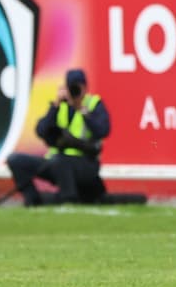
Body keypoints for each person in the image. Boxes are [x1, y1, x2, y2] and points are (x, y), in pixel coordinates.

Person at [6, 68, 109, 206]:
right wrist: (55, 105)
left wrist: (83, 111)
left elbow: (103, 130)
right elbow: (41, 131)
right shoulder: (61, 106)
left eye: (77, 88)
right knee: (15, 160)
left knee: (62, 161)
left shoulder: (93, 104)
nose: (74, 92)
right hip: (56, 162)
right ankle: (33, 201)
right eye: (70, 87)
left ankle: (69, 199)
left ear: (85, 88)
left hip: (84, 164)